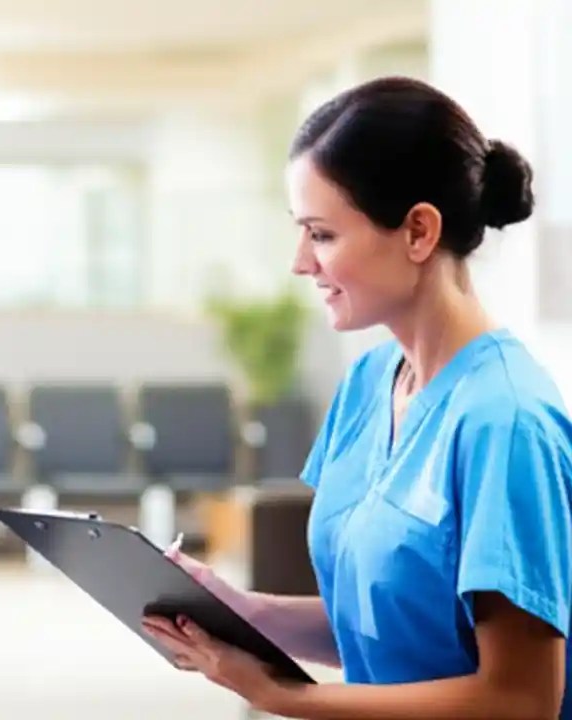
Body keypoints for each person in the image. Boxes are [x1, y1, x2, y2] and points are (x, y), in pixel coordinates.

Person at [142, 76, 572, 719]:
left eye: (321, 234)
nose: (300, 262)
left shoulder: (506, 423)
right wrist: (239, 611)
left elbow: (520, 698)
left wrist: (289, 698)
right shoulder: (370, 384)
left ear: (419, 231)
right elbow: (380, 625)